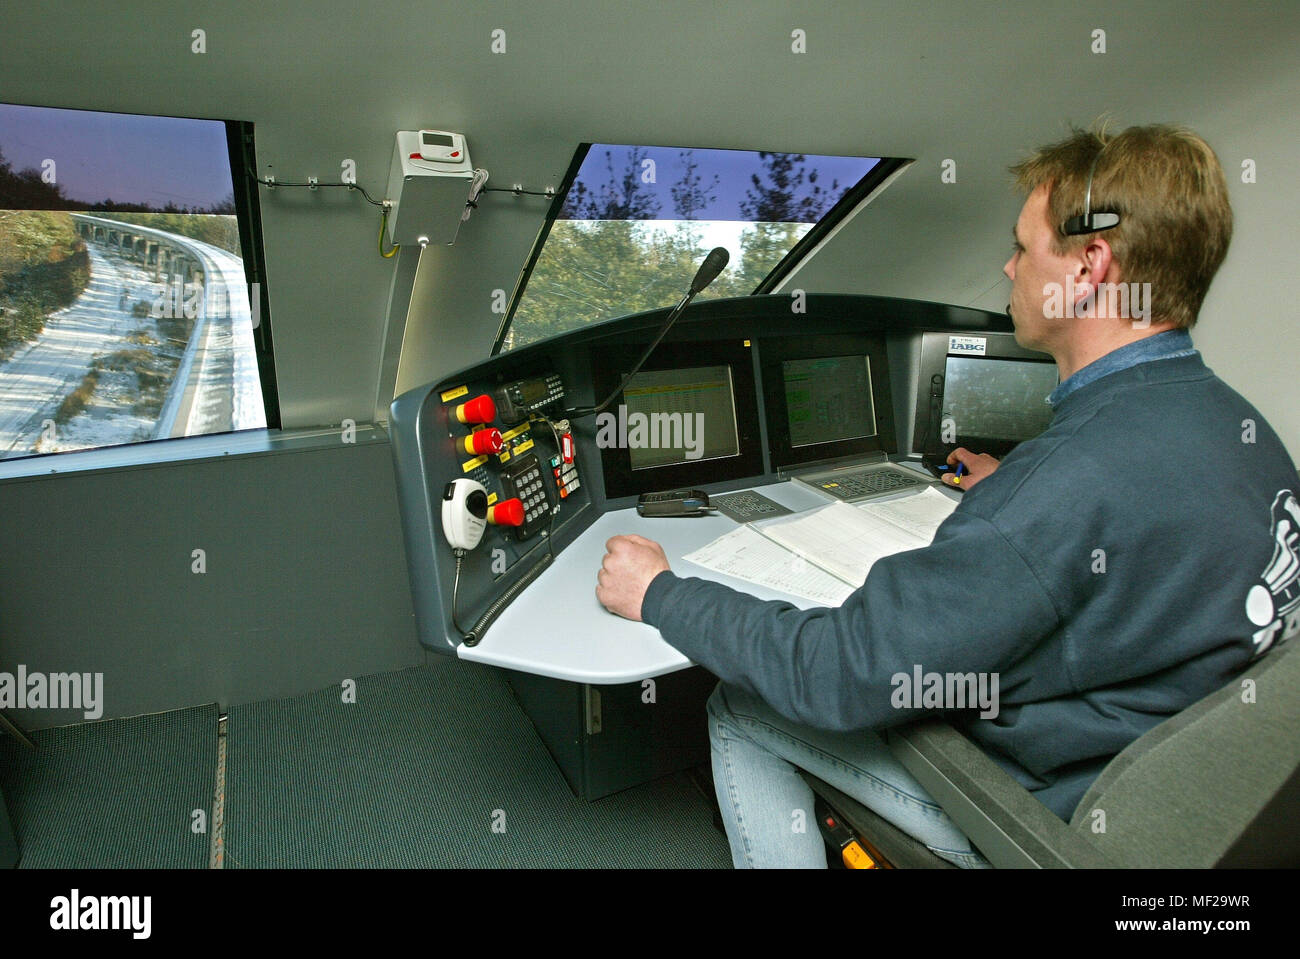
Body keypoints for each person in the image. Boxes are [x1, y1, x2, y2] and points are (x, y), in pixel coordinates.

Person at [595, 123, 1300, 868]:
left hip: (1041, 816)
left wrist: (661, 592)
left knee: (740, 703)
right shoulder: (1246, 435)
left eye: (1025, 248)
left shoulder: (1062, 490)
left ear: (1090, 266)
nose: (1009, 264)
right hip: (1177, 816)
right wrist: (1018, 499)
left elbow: (840, 671)